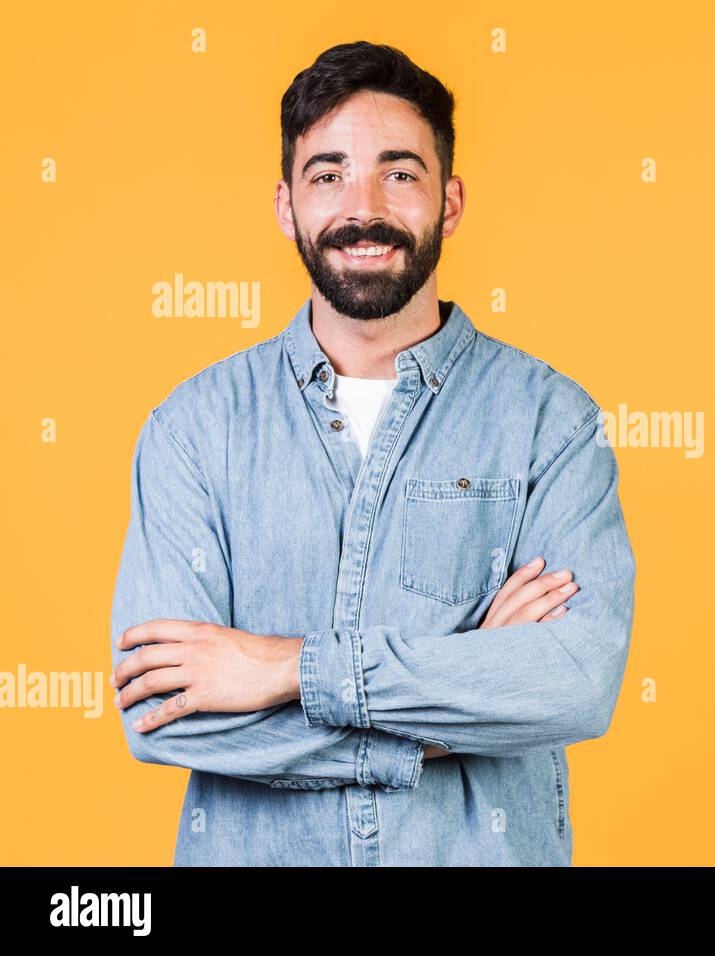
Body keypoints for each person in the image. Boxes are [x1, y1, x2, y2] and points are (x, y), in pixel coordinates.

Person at [108, 40, 636, 866]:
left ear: (449, 200)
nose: (364, 207)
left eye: (399, 172)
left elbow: (571, 683)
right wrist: (449, 709)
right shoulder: (193, 429)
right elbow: (163, 710)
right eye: (328, 175)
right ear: (286, 205)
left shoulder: (549, 422)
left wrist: (286, 669)